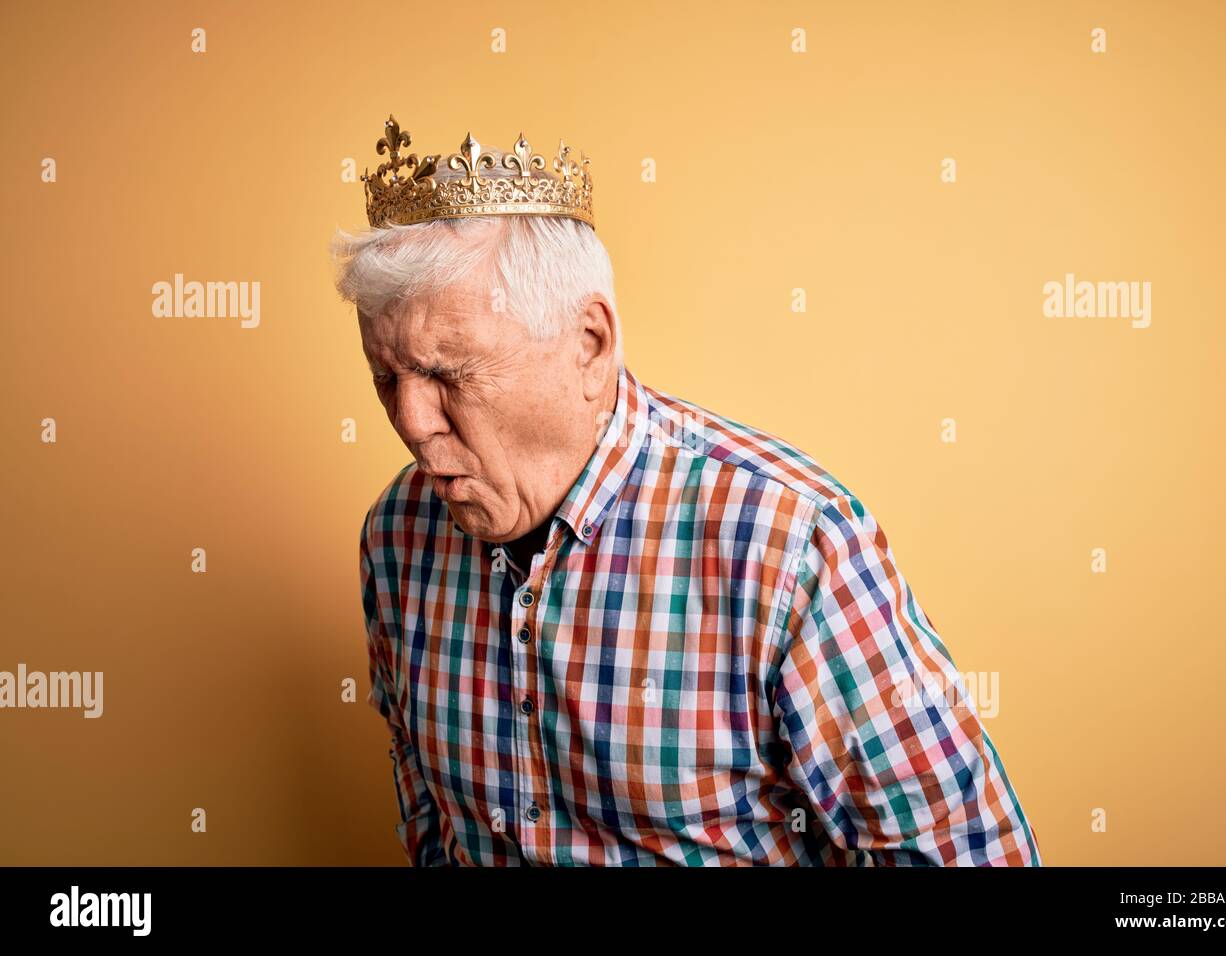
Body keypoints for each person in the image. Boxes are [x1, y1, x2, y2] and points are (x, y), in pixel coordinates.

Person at [332, 117, 1041, 866]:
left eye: (450, 374)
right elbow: (427, 817)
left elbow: (966, 855)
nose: (410, 422)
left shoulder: (791, 543)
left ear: (589, 345)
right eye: (387, 377)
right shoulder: (396, 535)